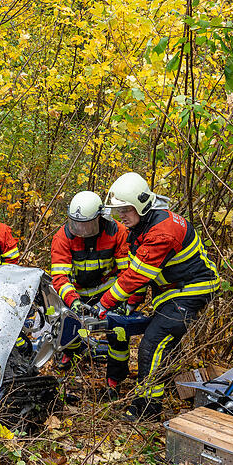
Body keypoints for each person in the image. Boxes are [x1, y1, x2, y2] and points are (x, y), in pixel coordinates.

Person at [92, 172, 220, 421]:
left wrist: (103, 304)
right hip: (173, 290)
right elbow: (137, 270)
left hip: (191, 290)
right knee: (160, 346)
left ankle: (148, 410)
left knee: (152, 345)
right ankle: (147, 400)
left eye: (125, 210)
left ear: (140, 204)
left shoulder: (162, 231)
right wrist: (131, 303)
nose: (121, 216)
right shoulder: (143, 225)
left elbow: (136, 276)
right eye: (118, 211)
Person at [50, 191, 136, 385]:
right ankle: (69, 354)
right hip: (77, 292)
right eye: (76, 223)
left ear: (100, 217)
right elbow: (60, 276)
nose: (80, 229)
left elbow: (127, 273)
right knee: (67, 324)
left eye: (86, 224)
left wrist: (123, 300)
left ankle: (114, 379)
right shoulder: (62, 237)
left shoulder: (118, 232)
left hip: (109, 291)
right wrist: (73, 300)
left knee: (118, 332)